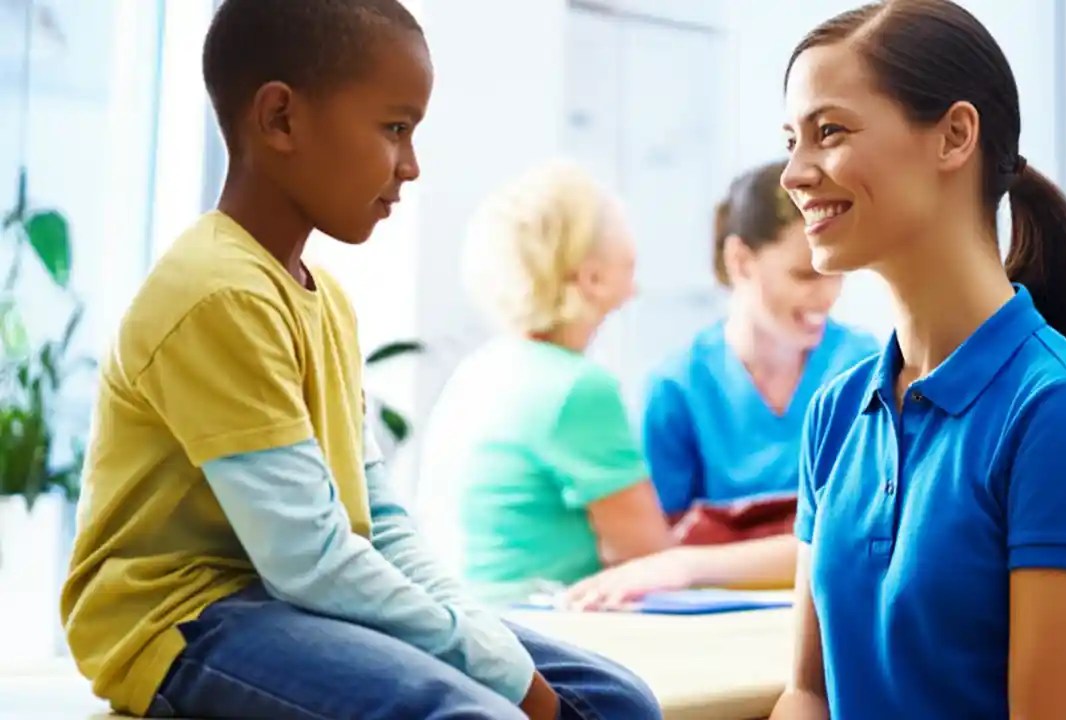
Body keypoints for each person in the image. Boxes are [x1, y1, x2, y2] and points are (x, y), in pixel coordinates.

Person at [59, 2, 660, 719]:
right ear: (281, 119)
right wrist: (506, 675)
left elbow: (377, 514)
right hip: (187, 618)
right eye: (394, 128)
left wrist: (473, 631)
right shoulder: (215, 293)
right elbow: (307, 559)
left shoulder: (325, 300)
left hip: (290, 601)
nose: (410, 166)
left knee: (614, 702)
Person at [771, 2, 1066, 719]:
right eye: (791, 139)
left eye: (829, 132)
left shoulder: (1065, 413)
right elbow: (809, 692)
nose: (794, 173)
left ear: (954, 135)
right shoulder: (836, 411)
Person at [563, 161, 879, 605]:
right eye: (805, 275)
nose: (827, 294)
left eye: (837, 270)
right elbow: (655, 553)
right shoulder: (677, 387)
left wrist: (692, 565)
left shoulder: (867, 371)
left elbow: (863, 538)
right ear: (740, 261)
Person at [417, 161, 673, 605]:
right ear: (592, 278)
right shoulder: (576, 389)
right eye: (629, 263)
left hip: (466, 618)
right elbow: (649, 559)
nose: (637, 284)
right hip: (537, 630)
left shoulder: (483, 368)